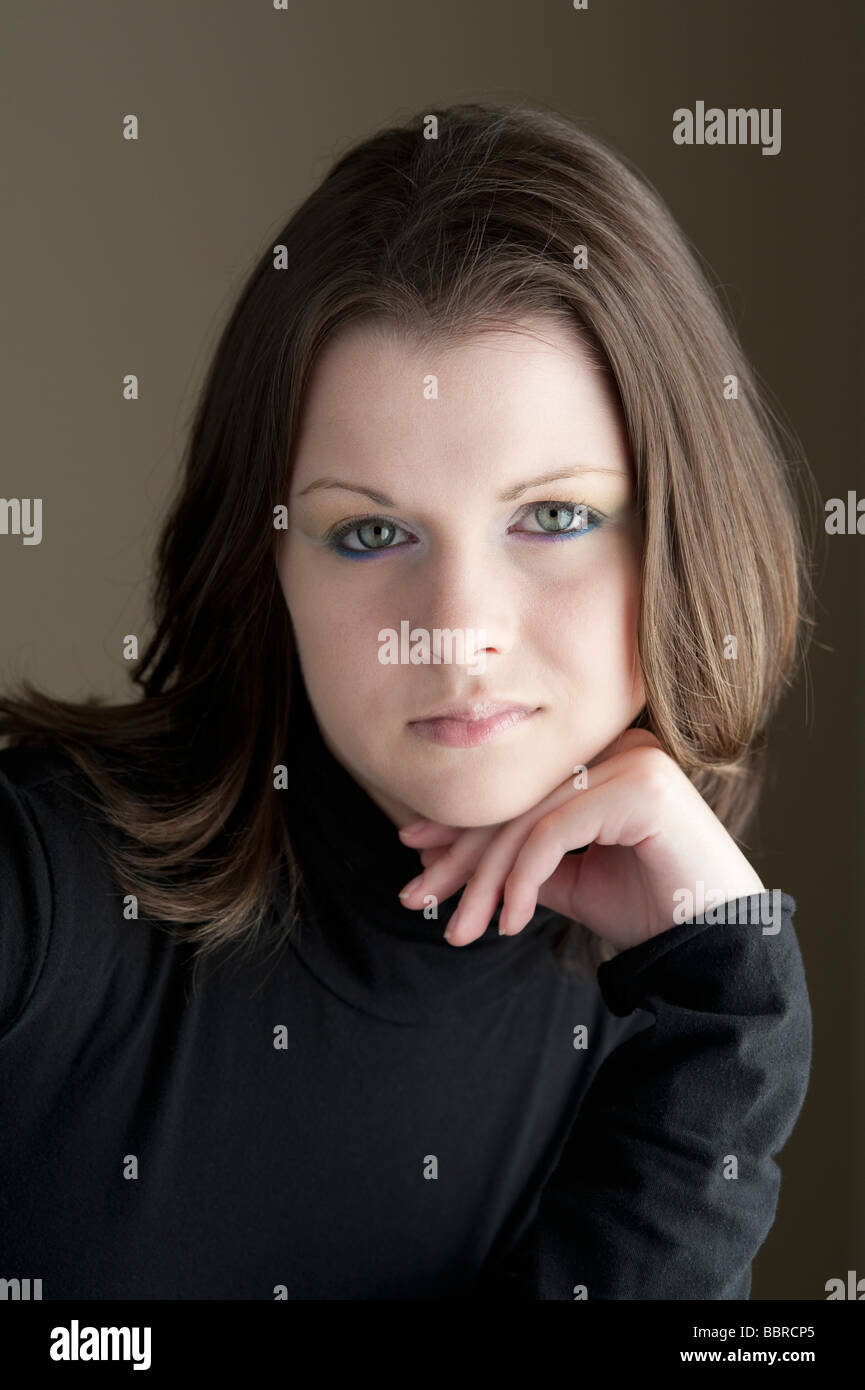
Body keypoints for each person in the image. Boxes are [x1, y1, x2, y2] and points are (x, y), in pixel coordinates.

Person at [0, 101, 813, 1300]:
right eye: (370, 531)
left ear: (684, 537)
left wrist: (734, 1014)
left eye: (553, 517)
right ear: (265, 564)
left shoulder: (670, 1018)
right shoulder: (36, 897)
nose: (459, 628)